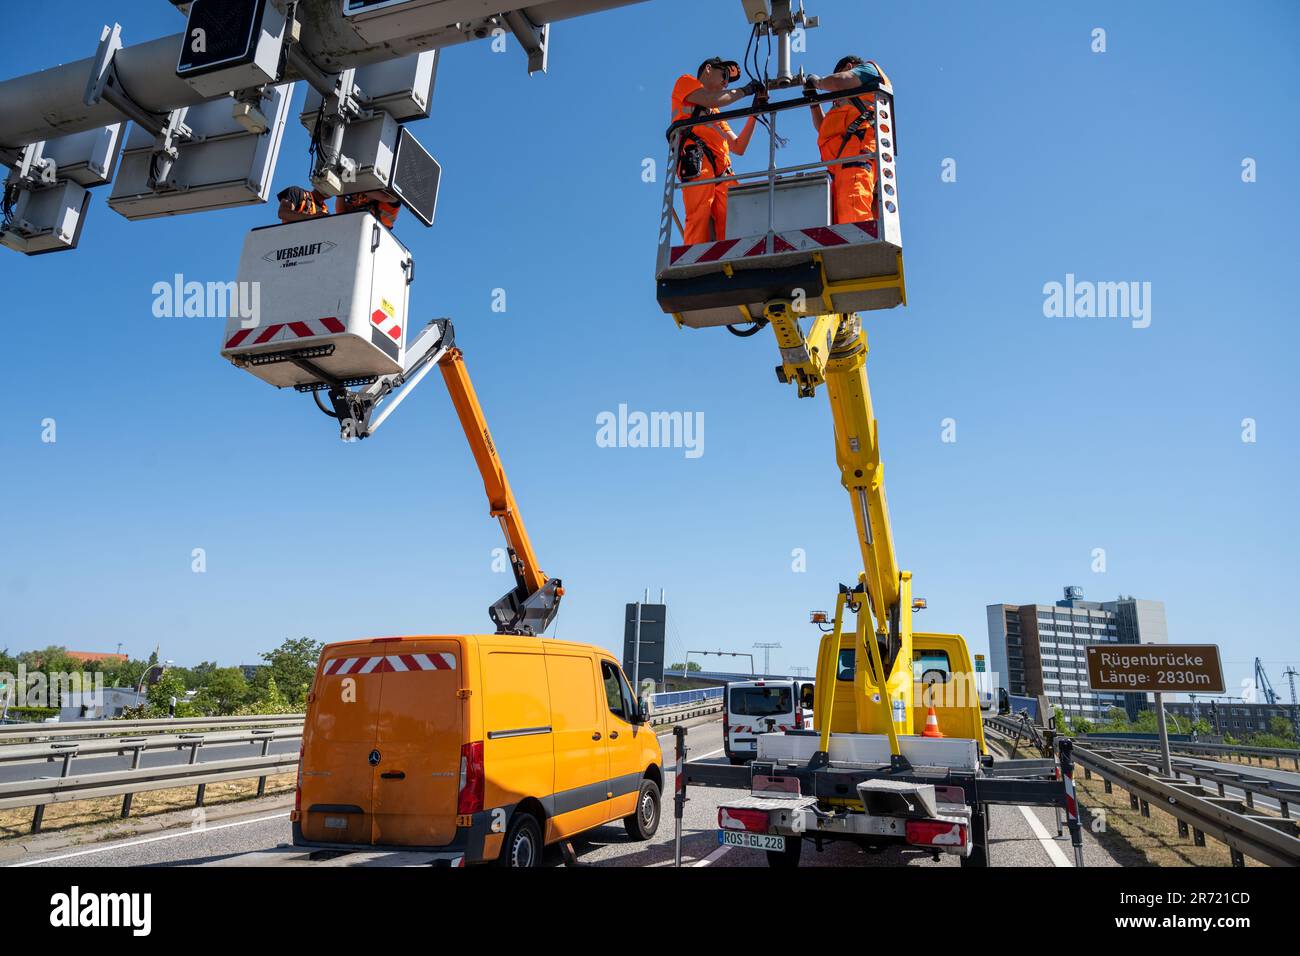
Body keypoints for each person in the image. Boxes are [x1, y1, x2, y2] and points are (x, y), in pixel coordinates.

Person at [670, 57, 764, 244]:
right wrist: (746, 91)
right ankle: (694, 261)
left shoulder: (716, 113)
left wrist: (755, 112)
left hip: (723, 175)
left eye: (729, 79)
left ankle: (731, 258)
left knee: (735, 220)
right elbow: (710, 99)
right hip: (697, 160)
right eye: (724, 74)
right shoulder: (686, 82)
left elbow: (738, 146)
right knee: (699, 214)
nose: (726, 82)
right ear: (708, 69)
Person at [806, 56, 893, 225]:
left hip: (857, 155)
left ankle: (865, 250)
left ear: (849, 66)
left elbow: (840, 81)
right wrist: (812, 100)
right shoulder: (848, 100)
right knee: (842, 221)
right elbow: (824, 127)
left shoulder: (867, 70)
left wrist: (817, 82)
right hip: (842, 164)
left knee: (854, 214)